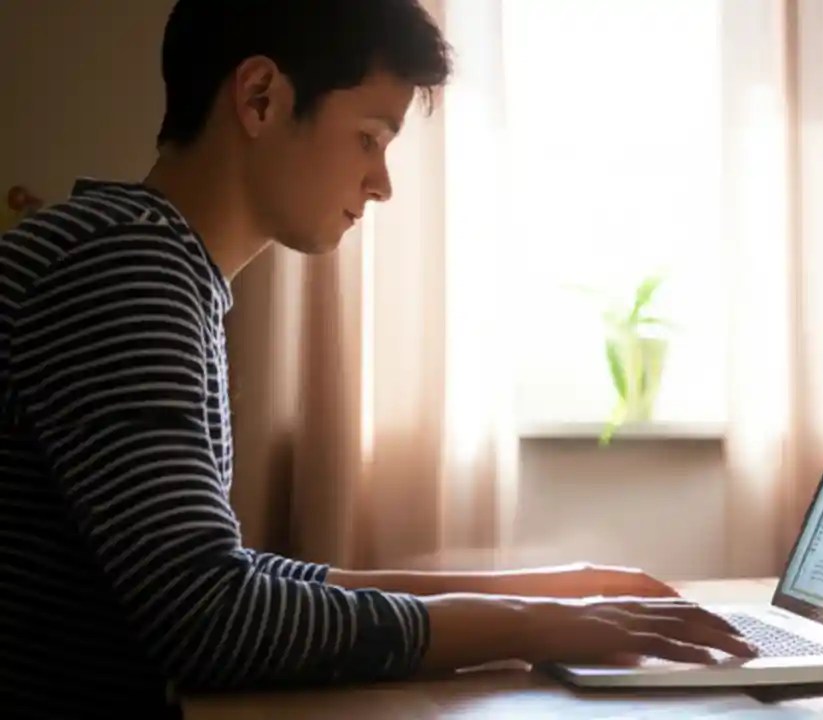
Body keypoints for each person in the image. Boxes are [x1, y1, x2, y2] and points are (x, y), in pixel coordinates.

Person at [0, 1, 756, 716]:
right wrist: (525, 625)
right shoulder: (122, 267)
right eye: (370, 136)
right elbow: (210, 617)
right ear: (260, 98)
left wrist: (551, 591)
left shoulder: (141, 259)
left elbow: (232, 576)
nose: (382, 183)